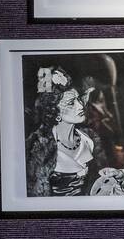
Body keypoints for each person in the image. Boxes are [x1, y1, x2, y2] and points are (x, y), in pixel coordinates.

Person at [25, 66, 103, 197]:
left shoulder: (89, 138)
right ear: (54, 112)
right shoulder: (39, 148)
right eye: (71, 103)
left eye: (78, 99)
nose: (80, 105)